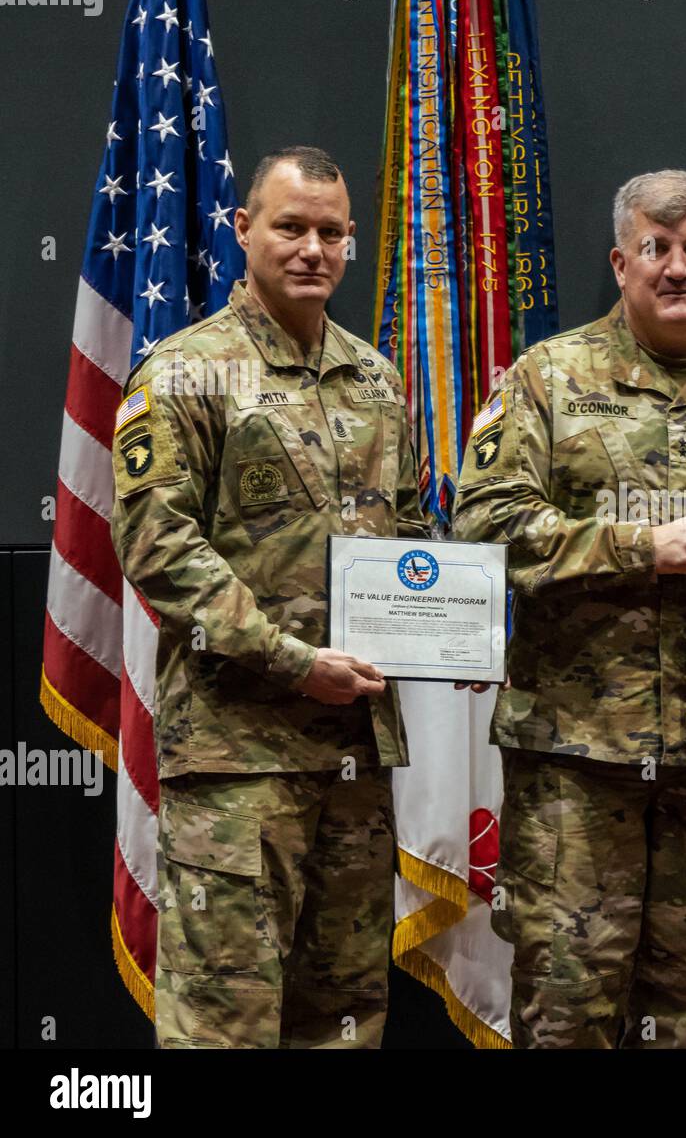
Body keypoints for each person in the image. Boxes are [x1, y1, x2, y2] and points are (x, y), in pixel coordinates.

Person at [452, 169, 686, 1048]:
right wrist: (638, 546)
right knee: (566, 1008)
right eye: (655, 249)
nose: (675, 268)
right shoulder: (547, 377)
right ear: (621, 262)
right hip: (576, 765)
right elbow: (482, 525)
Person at [110, 147, 427, 1048]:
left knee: (344, 1019)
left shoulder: (375, 376)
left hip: (355, 756)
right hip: (237, 755)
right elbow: (157, 545)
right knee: (226, 1025)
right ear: (244, 229)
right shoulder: (185, 372)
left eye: (331, 232)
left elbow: (406, 538)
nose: (311, 249)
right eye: (290, 227)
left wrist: (457, 634)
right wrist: (294, 664)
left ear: (352, 243)